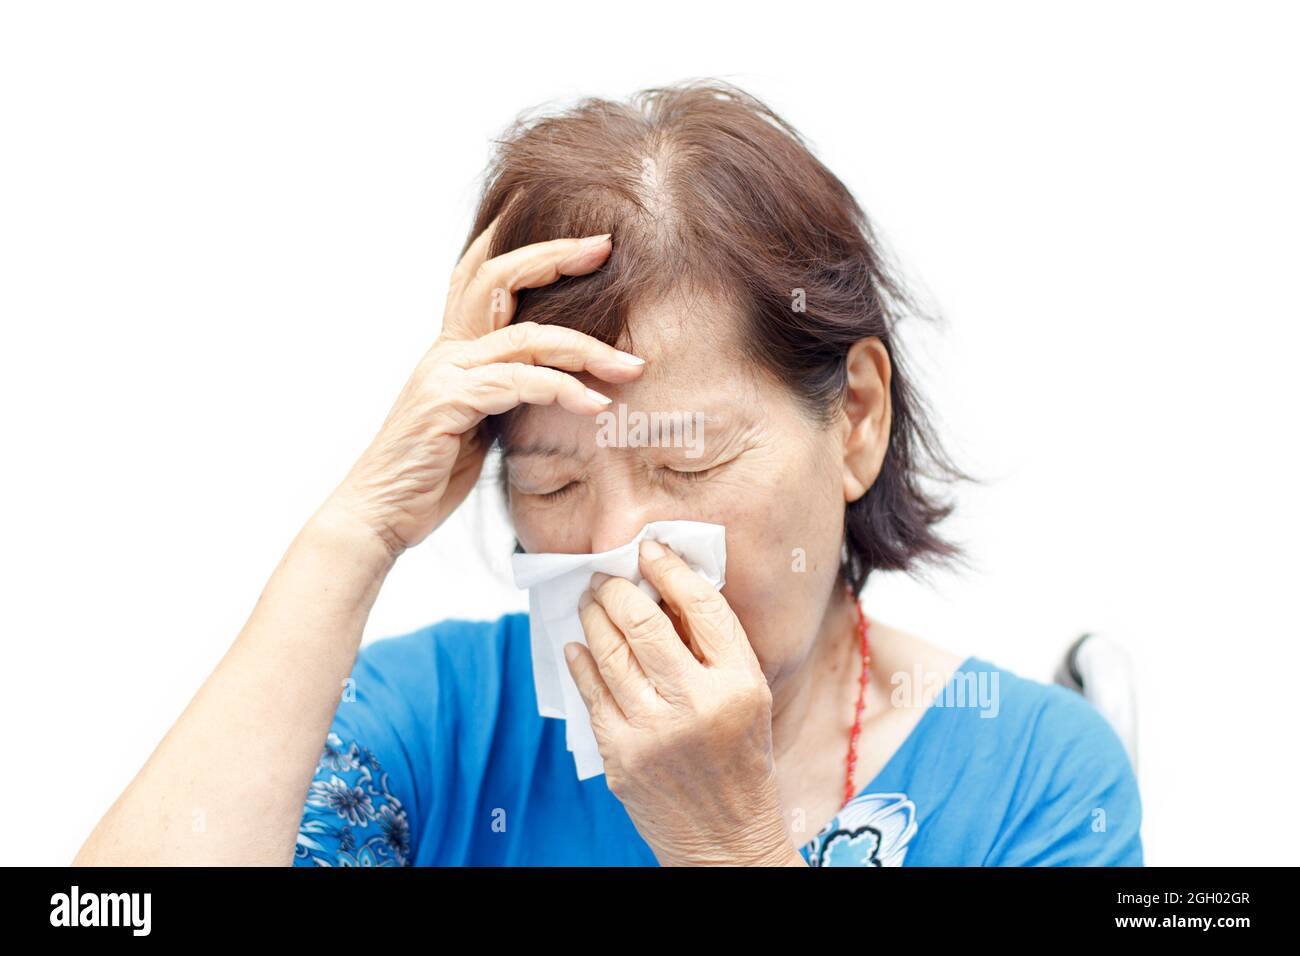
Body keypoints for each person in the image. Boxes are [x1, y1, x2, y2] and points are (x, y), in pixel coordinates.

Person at [74, 80, 1142, 867]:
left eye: (686, 456)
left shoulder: (1037, 774)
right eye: (551, 482)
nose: (613, 550)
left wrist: (729, 841)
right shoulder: (434, 719)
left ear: (855, 417)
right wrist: (353, 533)